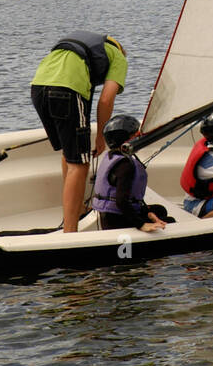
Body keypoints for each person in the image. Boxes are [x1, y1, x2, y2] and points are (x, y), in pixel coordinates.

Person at [31, 31, 128, 232]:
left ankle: (75, 209)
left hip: (38, 88)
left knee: (70, 153)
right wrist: (101, 136)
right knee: (80, 164)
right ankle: (70, 231)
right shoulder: (119, 58)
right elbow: (106, 99)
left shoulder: (85, 49)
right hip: (66, 90)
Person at [91, 114, 169, 233]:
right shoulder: (126, 166)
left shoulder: (111, 157)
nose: (139, 138)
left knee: (159, 210)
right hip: (117, 222)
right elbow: (121, 201)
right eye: (136, 135)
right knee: (170, 221)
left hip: (108, 216)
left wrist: (147, 213)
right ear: (127, 140)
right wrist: (142, 224)